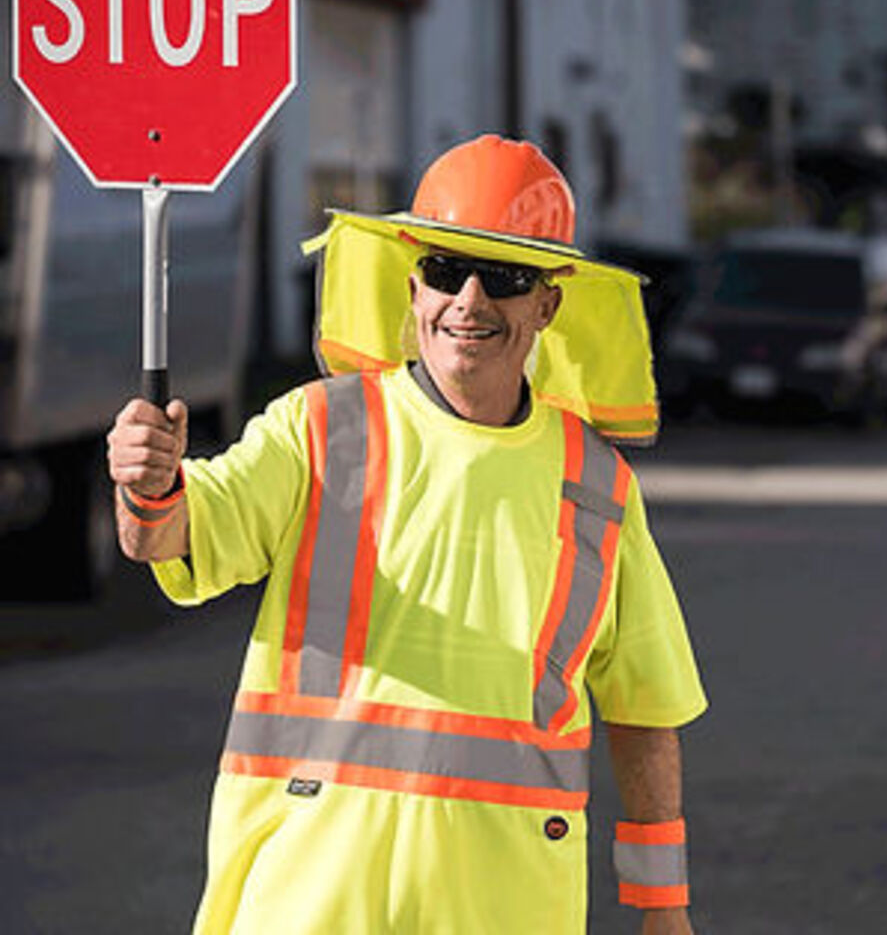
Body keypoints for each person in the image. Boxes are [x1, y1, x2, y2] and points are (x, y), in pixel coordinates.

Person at [107, 135, 708, 935]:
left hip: (506, 903)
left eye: (503, 276)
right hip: (313, 895)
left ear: (547, 304)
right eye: (442, 269)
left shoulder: (596, 484)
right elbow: (171, 535)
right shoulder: (321, 427)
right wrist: (148, 487)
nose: (467, 299)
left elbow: (644, 705)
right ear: (413, 285)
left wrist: (661, 906)